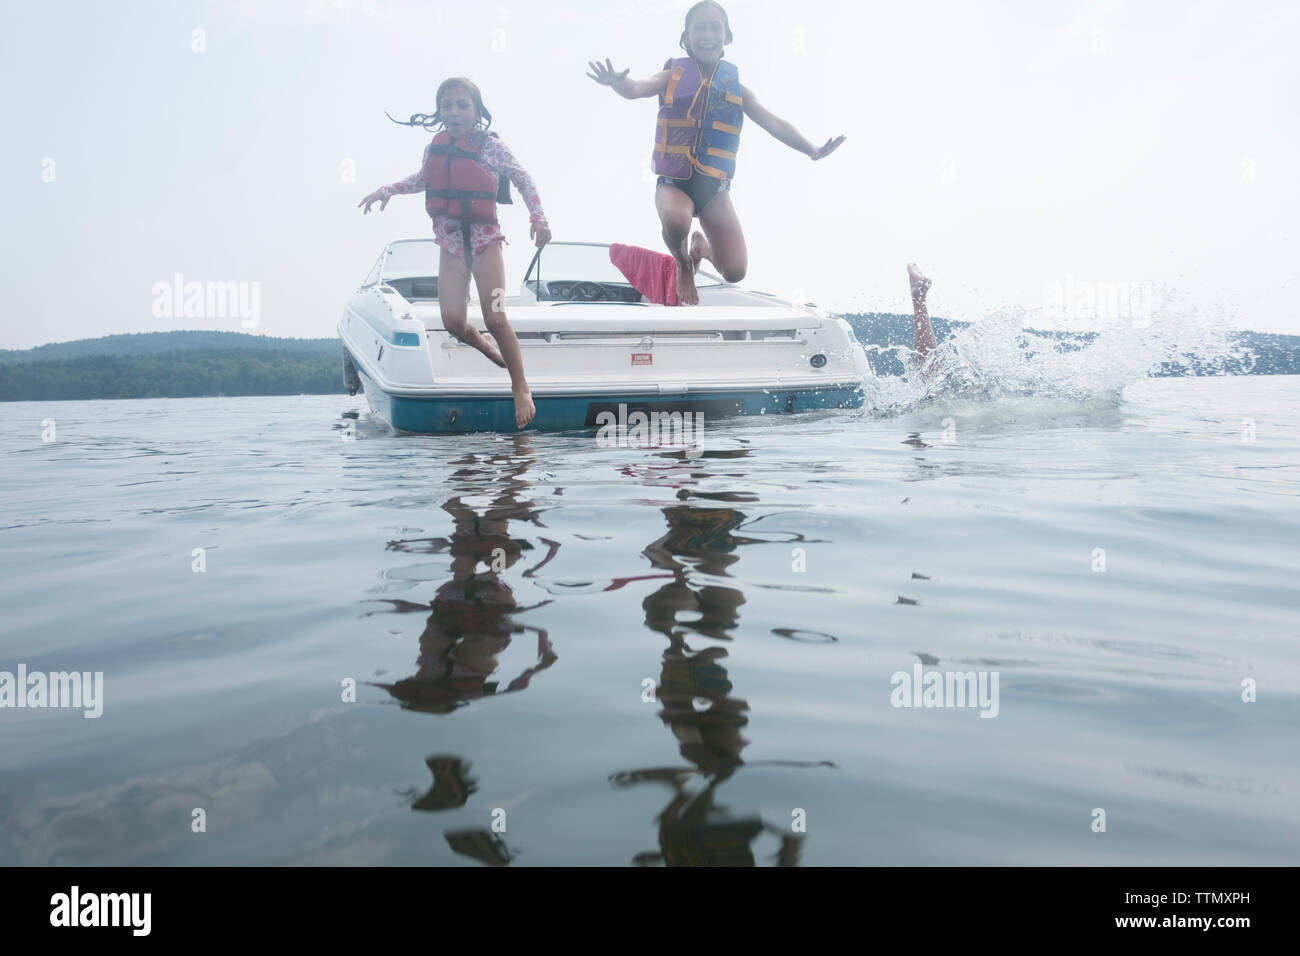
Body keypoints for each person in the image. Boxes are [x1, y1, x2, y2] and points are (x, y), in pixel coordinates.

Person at [587, 0, 845, 306]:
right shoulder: (671, 76)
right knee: (676, 222)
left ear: (727, 37)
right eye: (699, 28)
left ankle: (702, 248)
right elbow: (636, 88)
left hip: (714, 189)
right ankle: (683, 263)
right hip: (675, 182)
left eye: (715, 27)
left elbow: (774, 122)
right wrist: (618, 82)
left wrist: (811, 148)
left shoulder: (736, 89)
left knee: (735, 271)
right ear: (686, 38)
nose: (707, 34)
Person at [357, 77, 549, 429]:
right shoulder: (435, 148)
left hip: (484, 242)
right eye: (447, 105)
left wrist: (538, 218)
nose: (454, 111)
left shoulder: (490, 146)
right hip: (450, 244)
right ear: (439, 111)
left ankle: (520, 387)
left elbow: (523, 178)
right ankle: (484, 345)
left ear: (476, 112)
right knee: (453, 323)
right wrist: (388, 189)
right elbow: (422, 180)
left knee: (495, 316)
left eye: (463, 105)